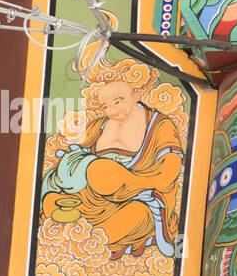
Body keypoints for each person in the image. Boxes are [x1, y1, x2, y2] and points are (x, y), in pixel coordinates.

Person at [41, 78, 183, 260]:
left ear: (135, 96)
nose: (113, 110)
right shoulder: (99, 125)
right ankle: (78, 230)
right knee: (51, 201)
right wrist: (81, 163)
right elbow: (76, 155)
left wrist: (133, 183)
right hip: (91, 197)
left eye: (118, 101)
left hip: (138, 198)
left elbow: (170, 169)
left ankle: (90, 237)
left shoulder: (159, 125)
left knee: (127, 219)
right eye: (105, 106)